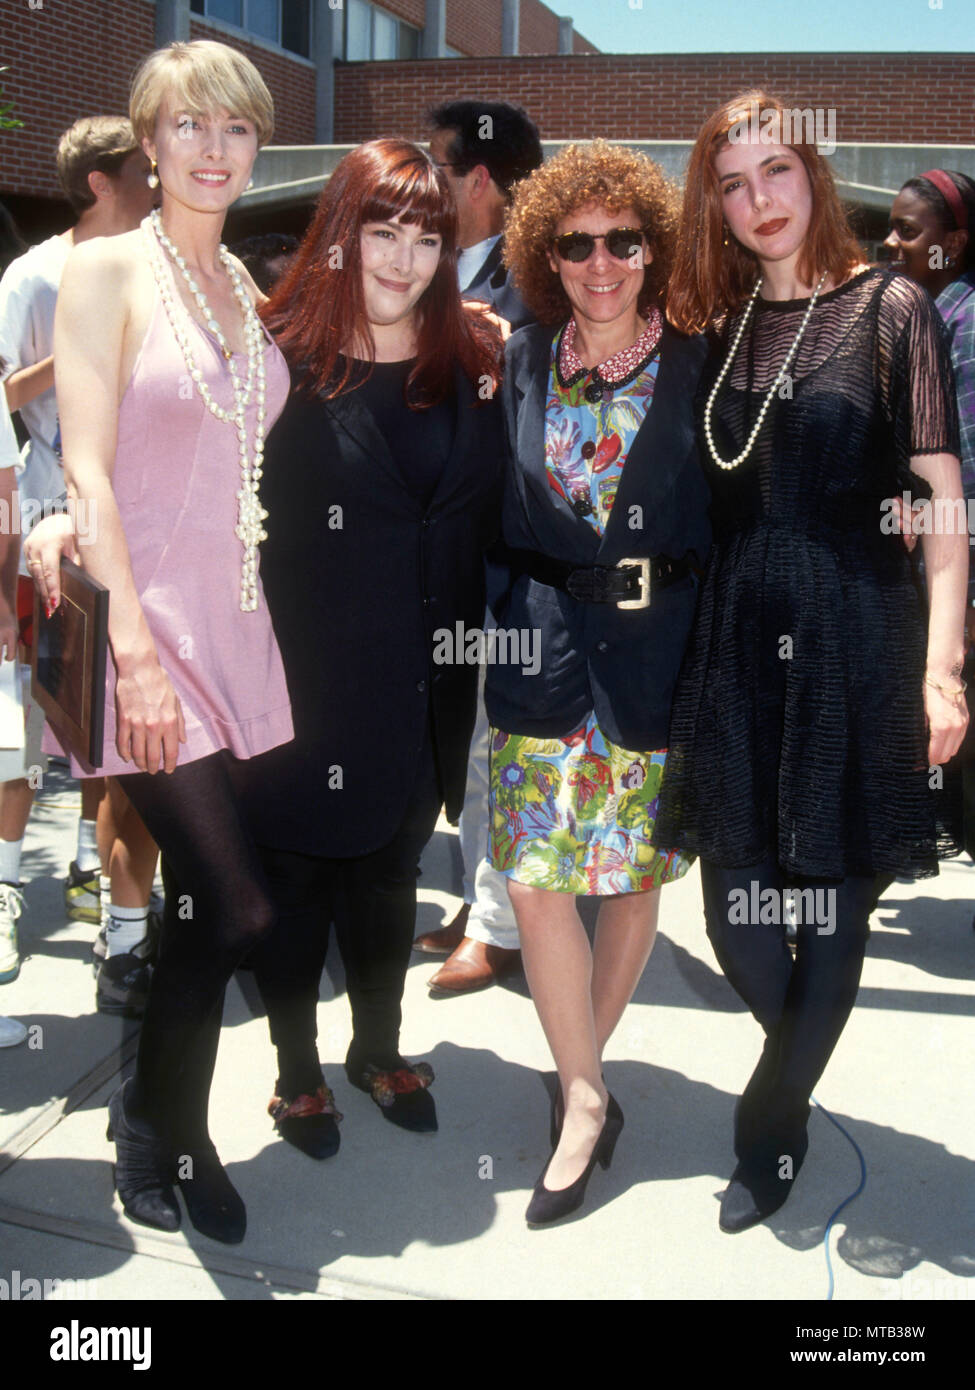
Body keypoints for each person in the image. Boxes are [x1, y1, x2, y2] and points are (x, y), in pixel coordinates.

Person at [653, 91, 969, 1233]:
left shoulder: (891, 307)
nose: (757, 201)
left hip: (858, 637)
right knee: (737, 916)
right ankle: (789, 1084)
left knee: (830, 911)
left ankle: (770, 1126)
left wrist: (943, 669)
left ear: (815, 175)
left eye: (774, 173)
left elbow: (941, 499)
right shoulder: (726, 321)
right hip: (740, 647)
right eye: (731, 185)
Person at [25, 40, 294, 1243]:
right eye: (189, 126)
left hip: (234, 622)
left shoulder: (241, 284)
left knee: (203, 899)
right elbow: (84, 467)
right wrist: (128, 645)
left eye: (235, 128)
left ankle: (164, 1117)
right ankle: (160, 1132)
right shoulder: (106, 274)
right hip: (142, 630)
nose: (214, 148)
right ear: (149, 139)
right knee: (234, 906)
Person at [244, 138, 504, 1155]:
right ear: (340, 235)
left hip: (423, 686)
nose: (401, 258)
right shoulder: (271, 357)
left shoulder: (473, 363)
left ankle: (378, 1046)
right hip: (299, 683)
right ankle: (297, 1069)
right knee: (298, 887)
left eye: (426, 237)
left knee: (391, 880)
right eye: (381, 231)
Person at [483, 141, 711, 1225]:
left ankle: (582, 1082)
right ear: (548, 255)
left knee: (629, 877)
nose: (602, 260)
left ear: (653, 247)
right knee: (535, 879)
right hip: (540, 651)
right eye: (577, 243)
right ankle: (586, 1089)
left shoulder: (708, 366)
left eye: (624, 239)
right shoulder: (521, 359)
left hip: (657, 655)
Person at [0, 117, 162, 1016]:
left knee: (118, 737)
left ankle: (103, 889)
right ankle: (37, 885)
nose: (156, 182)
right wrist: (82, 353)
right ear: (101, 184)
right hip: (52, 519)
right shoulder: (32, 276)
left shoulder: (162, 258)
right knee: (56, 713)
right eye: (143, 171)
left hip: (142, 525)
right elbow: (1, 393)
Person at [415, 98, 543, 992]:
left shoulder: (535, 281)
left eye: (436, 165)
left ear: (479, 178)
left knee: (497, 737)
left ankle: (497, 928)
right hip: (434, 552)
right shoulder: (426, 262)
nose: (424, 182)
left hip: (507, 554)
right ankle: (476, 900)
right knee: (462, 735)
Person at [885, 169, 975, 866]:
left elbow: (958, 475)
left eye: (909, 232)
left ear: (954, 242)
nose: (890, 243)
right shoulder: (916, 317)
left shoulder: (963, 324)